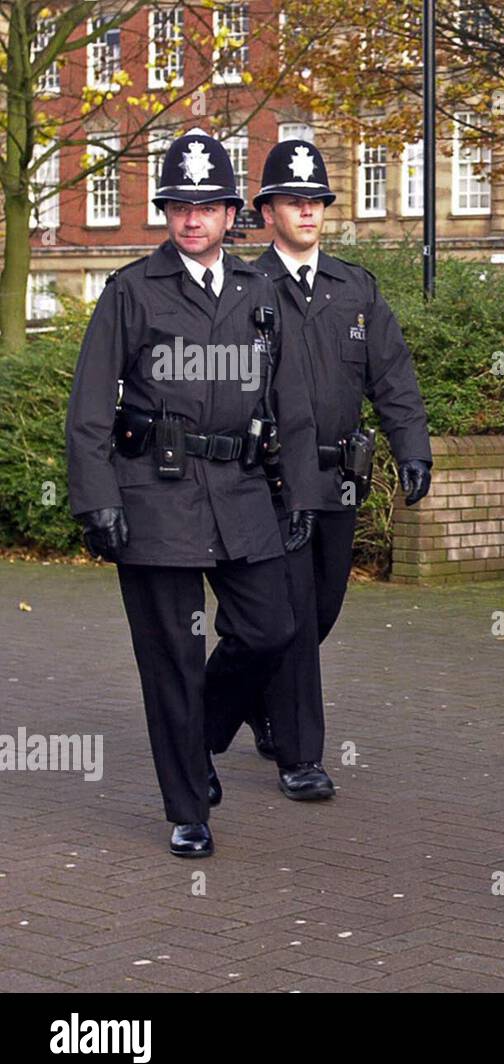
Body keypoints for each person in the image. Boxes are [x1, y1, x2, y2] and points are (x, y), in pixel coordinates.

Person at [65, 129, 318, 858]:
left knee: (272, 628)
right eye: (179, 204)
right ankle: (187, 807)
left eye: (207, 206)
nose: (192, 219)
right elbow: (87, 407)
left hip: (240, 491)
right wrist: (96, 499)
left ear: (233, 211)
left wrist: (298, 491)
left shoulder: (259, 293)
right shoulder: (130, 292)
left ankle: (201, 737)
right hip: (154, 494)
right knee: (172, 656)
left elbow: (292, 402)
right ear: (166, 212)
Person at [237, 139, 432, 799]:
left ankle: (253, 693)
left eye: (316, 199)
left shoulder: (356, 287)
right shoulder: (244, 290)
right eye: (294, 200)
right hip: (272, 483)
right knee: (289, 614)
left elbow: (393, 378)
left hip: (339, 477)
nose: (309, 210)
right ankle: (301, 756)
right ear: (267, 211)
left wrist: (413, 448)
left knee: (320, 609)